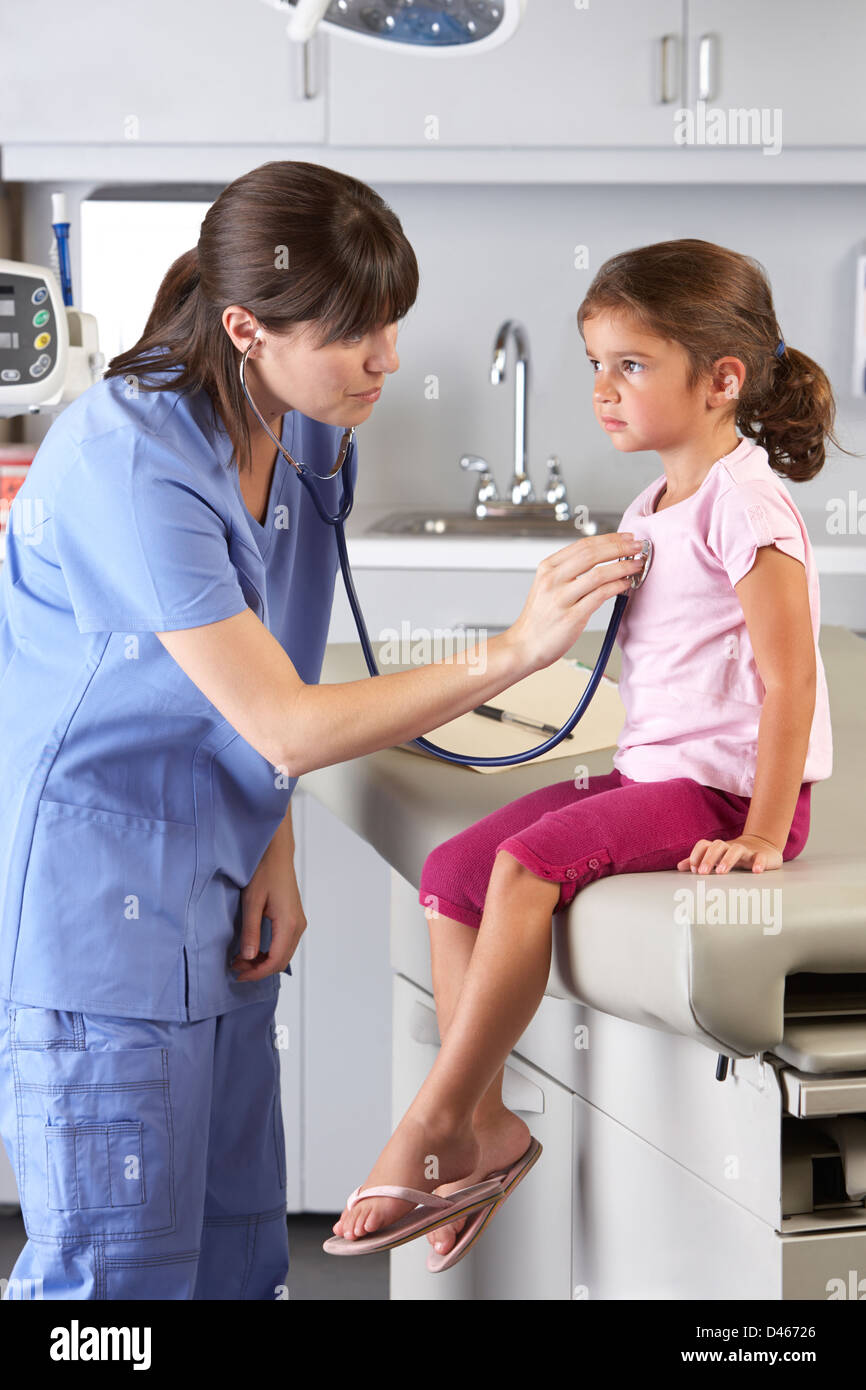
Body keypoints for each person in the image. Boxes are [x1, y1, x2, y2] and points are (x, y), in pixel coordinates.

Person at [0, 159, 643, 1300]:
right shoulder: (124, 455)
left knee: (237, 1258)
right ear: (246, 326)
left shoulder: (305, 422)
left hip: (220, 878)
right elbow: (286, 721)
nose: (387, 361)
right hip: (96, 903)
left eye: (391, 324)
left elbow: (275, 652)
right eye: (357, 335)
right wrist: (513, 647)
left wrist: (273, 845)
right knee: (114, 1284)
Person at [326, 237, 839, 1270]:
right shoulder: (651, 506)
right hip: (655, 772)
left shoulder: (745, 504)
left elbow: (790, 681)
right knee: (450, 872)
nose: (602, 390)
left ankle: (435, 1121)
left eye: (631, 365)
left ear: (720, 381)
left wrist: (758, 834)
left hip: (721, 793)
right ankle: (489, 1127)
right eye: (596, 363)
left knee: (522, 872)